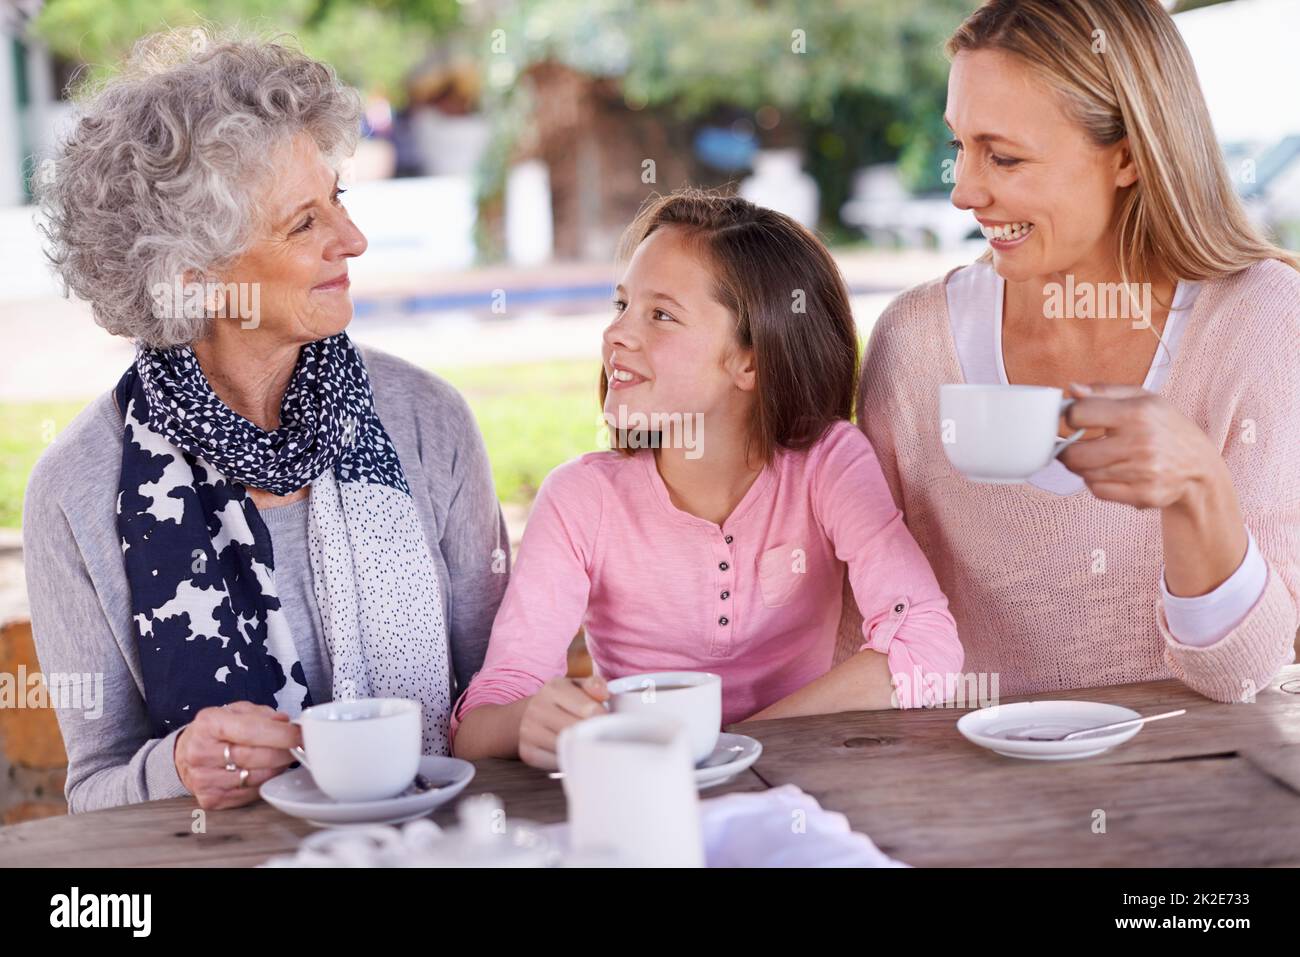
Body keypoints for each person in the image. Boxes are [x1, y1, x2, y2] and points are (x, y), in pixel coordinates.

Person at [24, 30, 507, 812]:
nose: (352, 240)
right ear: (194, 274)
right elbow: (96, 784)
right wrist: (176, 765)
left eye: (338, 200)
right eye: (302, 223)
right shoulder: (75, 491)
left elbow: (498, 695)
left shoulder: (429, 423)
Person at [847, 0, 1299, 704]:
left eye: (1003, 156)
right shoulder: (915, 343)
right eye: (959, 147)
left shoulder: (1262, 322)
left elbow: (1245, 672)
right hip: (957, 793)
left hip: (1204, 793)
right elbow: (862, 634)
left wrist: (1197, 492)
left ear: (1127, 156)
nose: (965, 189)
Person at [452, 189, 964, 769]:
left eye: (661, 315)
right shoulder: (581, 498)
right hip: (646, 788)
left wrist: (729, 748)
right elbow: (481, 722)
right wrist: (527, 719)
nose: (615, 335)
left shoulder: (827, 464)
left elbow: (926, 647)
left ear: (751, 360)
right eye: (621, 306)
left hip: (801, 791)